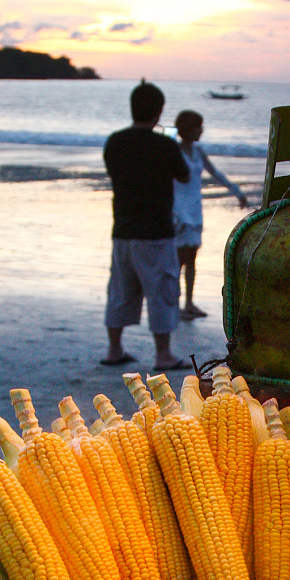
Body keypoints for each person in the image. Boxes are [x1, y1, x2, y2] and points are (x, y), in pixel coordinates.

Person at [101, 80, 190, 370]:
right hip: (155, 230)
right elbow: (184, 175)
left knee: (120, 291)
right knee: (161, 292)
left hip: (123, 229)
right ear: (159, 111)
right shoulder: (164, 144)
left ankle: (114, 349)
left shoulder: (115, 141)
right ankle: (163, 354)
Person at [171, 110, 248, 320]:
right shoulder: (174, 151)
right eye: (198, 127)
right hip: (178, 212)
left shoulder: (198, 151)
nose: (201, 130)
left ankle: (188, 303)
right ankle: (174, 304)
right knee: (178, 262)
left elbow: (216, 174)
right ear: (189, 129)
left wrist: (237, 192)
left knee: (192, 259)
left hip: (195, 211)